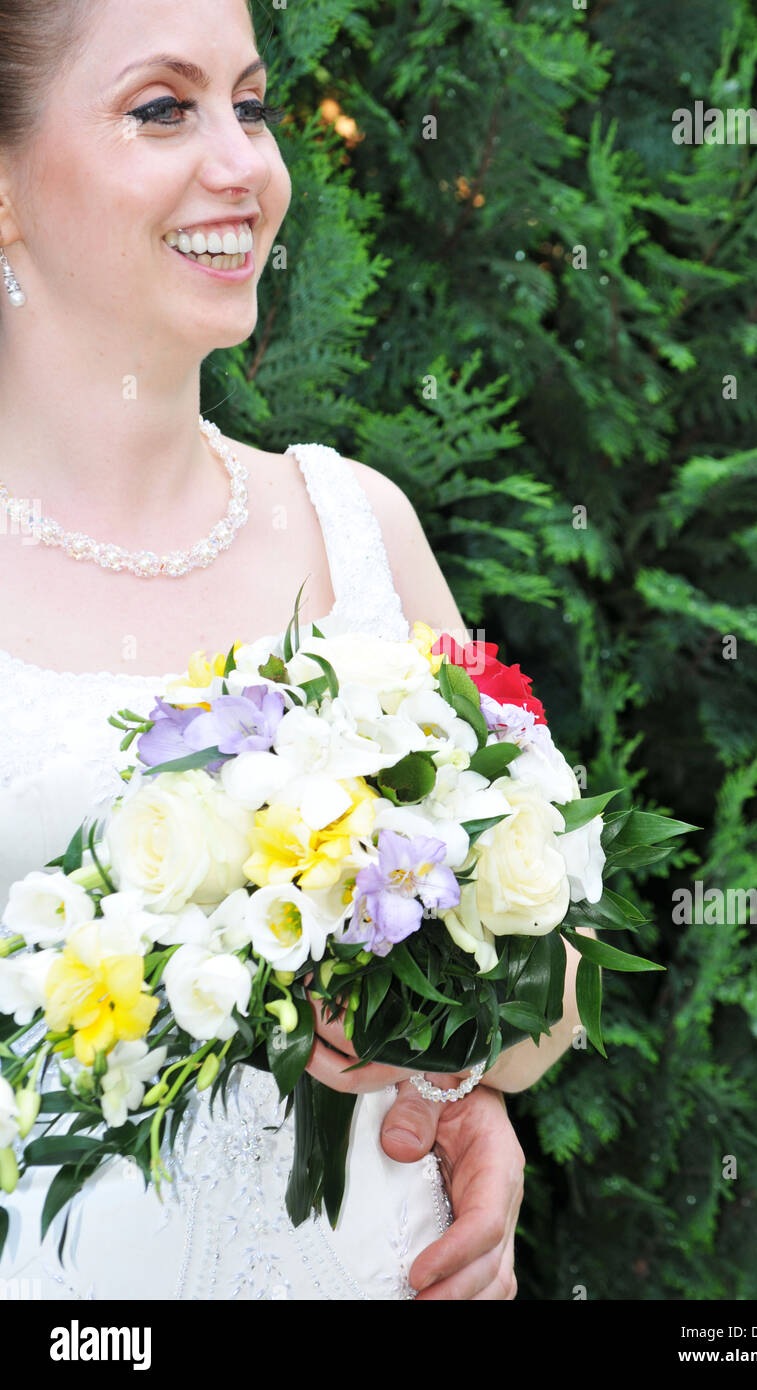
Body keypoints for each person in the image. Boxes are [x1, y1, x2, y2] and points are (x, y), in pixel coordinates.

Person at [0, 0, 587, 1300]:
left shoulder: (357, 525)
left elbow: (551, 975)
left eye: (252, 106)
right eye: (164, 109)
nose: (244, 166)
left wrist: (460, 1080)